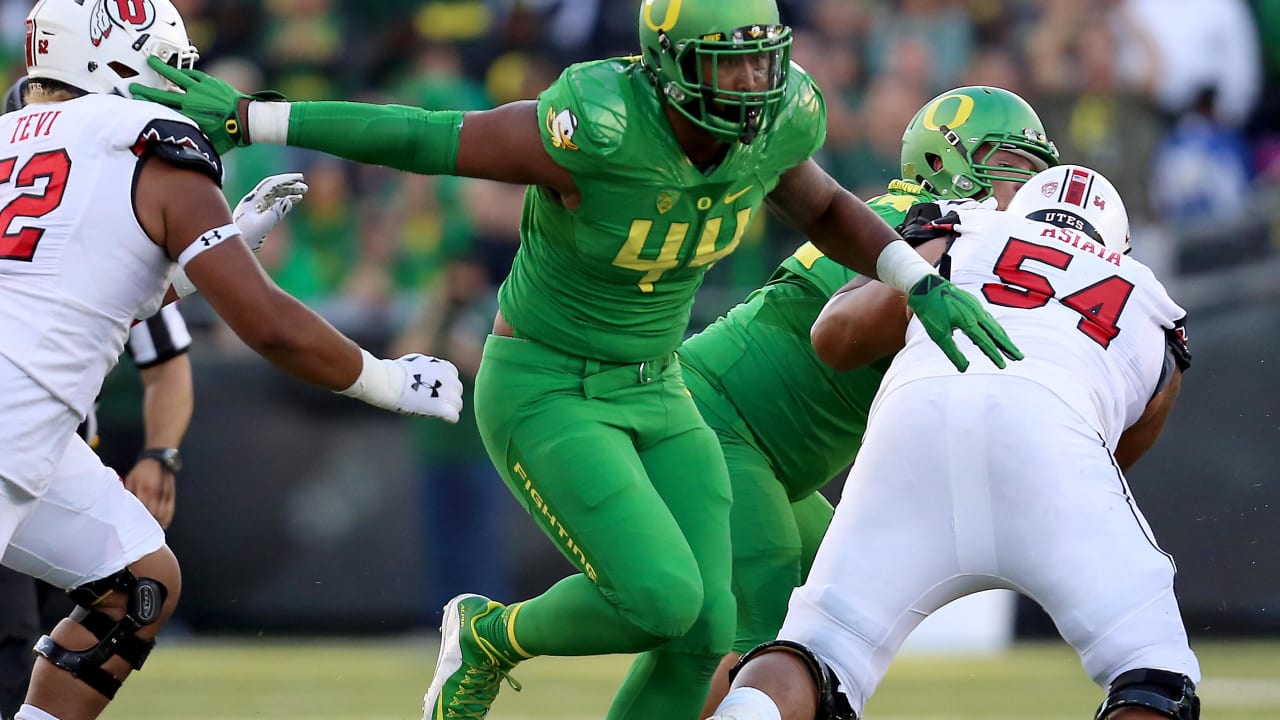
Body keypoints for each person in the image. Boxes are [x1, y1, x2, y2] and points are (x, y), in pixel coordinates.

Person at [133, 2, 1024, 718]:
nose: (754, 83)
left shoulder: (776, 123)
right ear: (669, 64)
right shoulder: (596, 123)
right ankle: (488, 635)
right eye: (730, 64)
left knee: (704, 631)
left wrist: (914, 276)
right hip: (548, 382)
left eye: (764, 61)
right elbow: (430, 135)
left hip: (661, 384)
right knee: (667, 600)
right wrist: (258, 116)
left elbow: (822, 203)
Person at [0, 2, 464, 720]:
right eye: (167, 67)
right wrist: (390, 380)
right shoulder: (144, 145)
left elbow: (86, 297)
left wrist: (210, 255)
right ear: (113, 59)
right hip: (13, 425)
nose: (179, 88)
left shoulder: (9, 139)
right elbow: (270, 325)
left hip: (27, 425)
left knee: (137, 581)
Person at [709, 165, 1201, 720]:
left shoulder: (966, 228)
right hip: (1054, 433)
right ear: (1119, 244)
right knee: (1154, 671)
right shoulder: (1154, 305)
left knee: (818, 652)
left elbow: (834, 337)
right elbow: (1116, 456)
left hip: (918, 415)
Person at [679, 85, 1061, 717]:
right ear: (947, 160)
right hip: (719, 418)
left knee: (829, 601)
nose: (1023, 185)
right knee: (768, 601)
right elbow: (840, 335)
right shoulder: (926, 225)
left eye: (1031, 170)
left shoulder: (967, 236)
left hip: (771, 458)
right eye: (1009, 164)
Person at [0, 304, 193, 720]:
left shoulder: (127, 255)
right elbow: (268, 321)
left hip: (56, 481)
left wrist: (160, 454)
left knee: (140, 586)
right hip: (12, 456)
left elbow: (167, 358)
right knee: (10, 640)